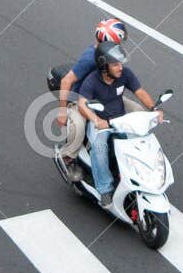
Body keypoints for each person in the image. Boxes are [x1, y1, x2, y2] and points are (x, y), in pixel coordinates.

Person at [75, 43, 159, 206]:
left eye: (120, 63)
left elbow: (139, 91)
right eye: (115, 64)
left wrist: (154, 108)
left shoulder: (125, 74)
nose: (120, 67)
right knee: (99, 149)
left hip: (121, 120)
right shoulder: (91, 81)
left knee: (140, 142)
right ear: (104, 67)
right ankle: (105, 189)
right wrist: (96, 120)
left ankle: (143, 177)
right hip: (101, 123)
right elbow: (82, 104)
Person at [55, 17, 135, 179]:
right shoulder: (90, 58)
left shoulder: (111, 55)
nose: (120, 46)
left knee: (137, 111)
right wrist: (63, 111)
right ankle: (68, 157)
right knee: (78, 125)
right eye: (118, 42)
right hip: (82, 99)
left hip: (105, 96)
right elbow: (66, 80)